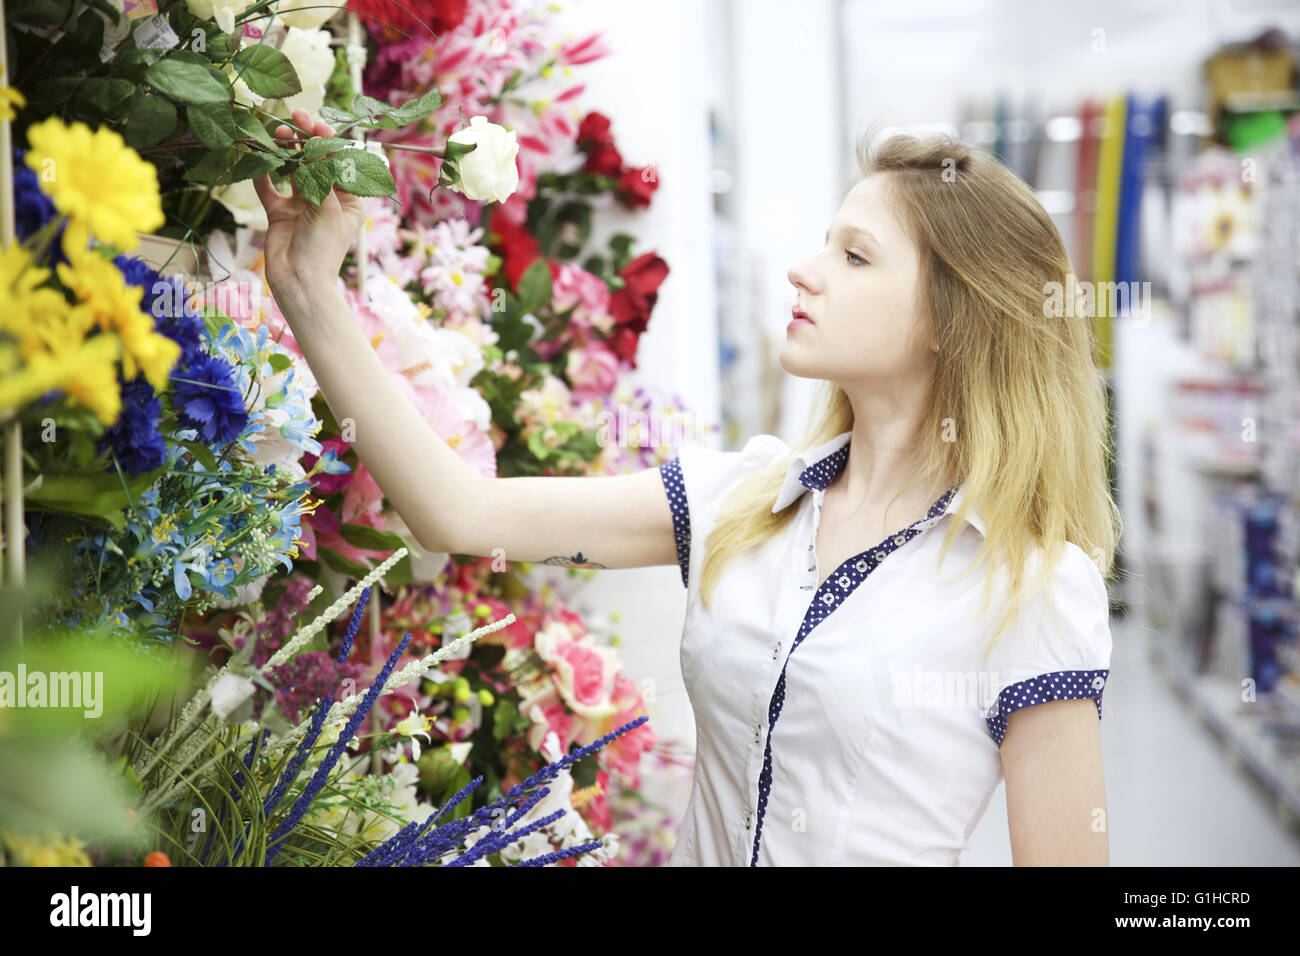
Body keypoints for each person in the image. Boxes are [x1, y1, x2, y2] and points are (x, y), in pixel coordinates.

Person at [254, 109, 1121, 866]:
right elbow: (456, 512)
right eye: (827, 243)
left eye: (855, 257)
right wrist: (305, 283)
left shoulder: (1028, 587)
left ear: (952, 317)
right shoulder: (743, 500)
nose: (804, 271)